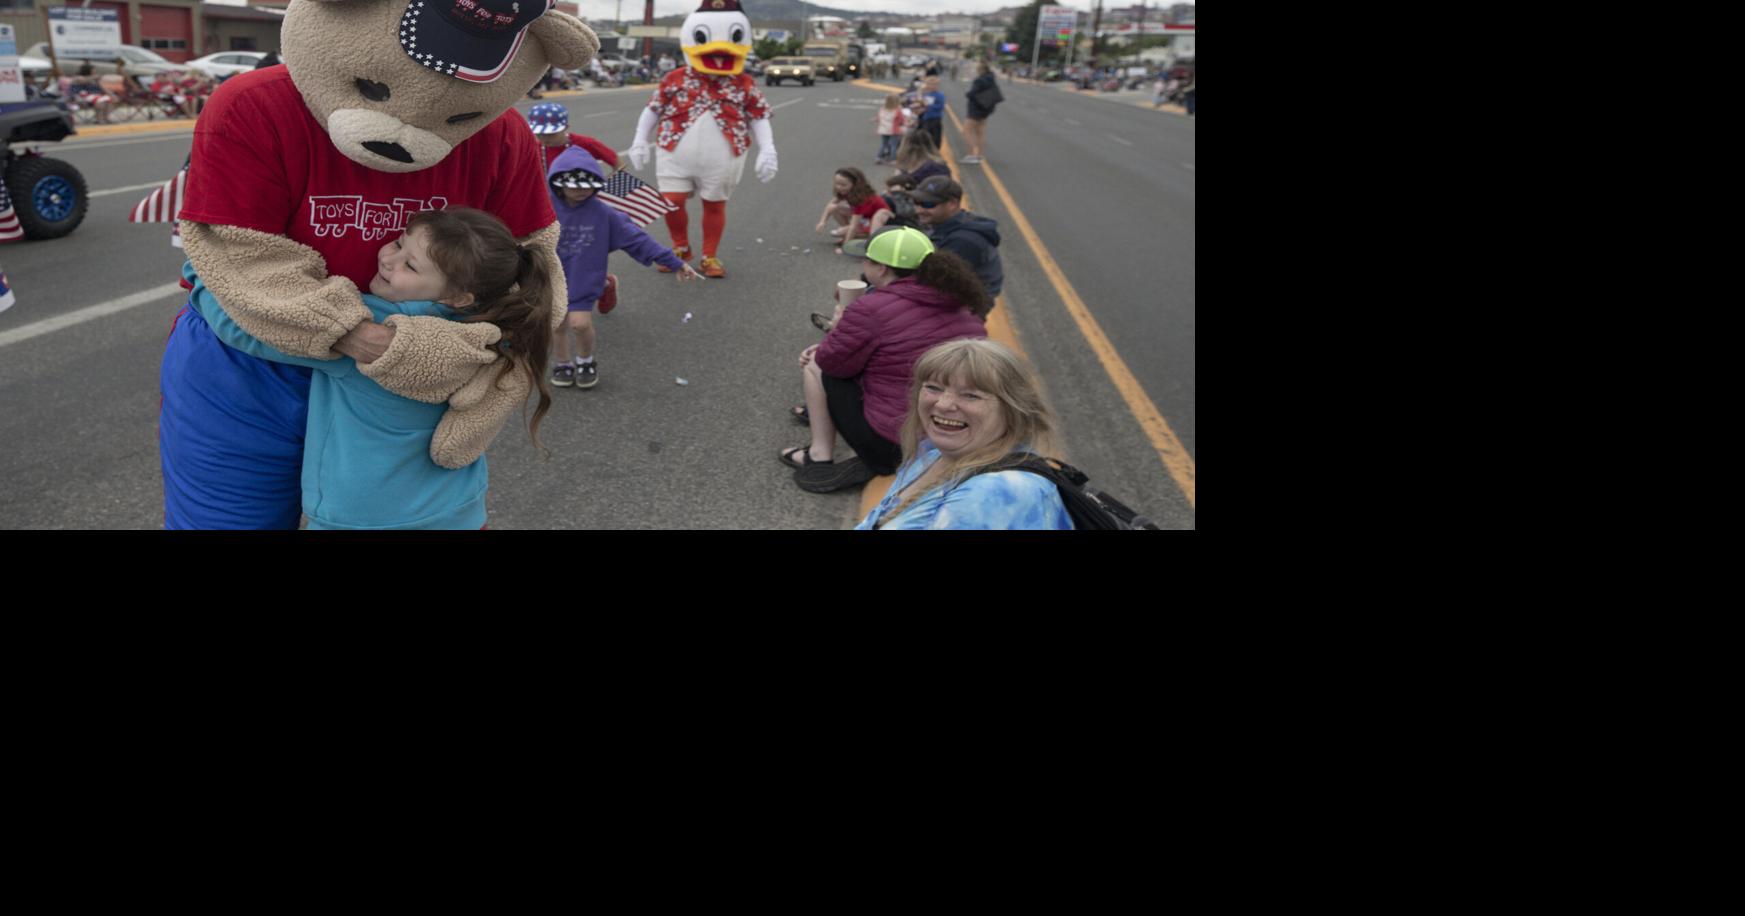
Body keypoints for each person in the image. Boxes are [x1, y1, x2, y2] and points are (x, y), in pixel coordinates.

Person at [184, 208, 554, 530]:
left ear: (457, 296)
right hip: (459, 510)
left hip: (363, 515)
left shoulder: (377, 329)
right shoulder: (496, 334)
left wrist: (207, 277)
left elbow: (252, 329)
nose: (390, 260)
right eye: (397, 243)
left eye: (410, 265)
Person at [781, 226, 988, 493]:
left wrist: (838, 327)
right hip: (952, 436)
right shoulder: (961, 300)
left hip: (893, 444)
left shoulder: (871, 308)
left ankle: (818, 454)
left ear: (880, 269)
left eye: (866, 259)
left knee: (816, 365)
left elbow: (833, 363)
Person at [857, 338, 1071, 529]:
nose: (943, 404)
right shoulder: (933, 453)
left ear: (1012, 410)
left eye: (971, 396)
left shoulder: (992, 495)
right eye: (933, 387)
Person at [547, 146, 703, 390]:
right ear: (558, 184)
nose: (581, 191)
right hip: (551, 279)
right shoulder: (545, 209)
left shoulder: (603, 213)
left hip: (583, 278)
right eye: (574, 186)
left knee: (579, 323)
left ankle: (586, 360)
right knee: (557, 324)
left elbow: (637, 240)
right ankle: (563, 362)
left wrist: (674, 262)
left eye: (587, 186)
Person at [911, 175, 1002, 314]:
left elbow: (939, 284)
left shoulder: (963, 241)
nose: (918, 210)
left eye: (928, 204)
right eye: (916, 202)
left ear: (952, 204)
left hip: (962, 311)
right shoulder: (941, 224)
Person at [527, 101, 620, 172]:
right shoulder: (533, 149)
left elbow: (616, 162)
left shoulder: (585, 143)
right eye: (539, 134)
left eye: (551, 134)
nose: (544, 138)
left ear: (565, 127)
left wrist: (607, 190)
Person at [814, 167, 888, 249]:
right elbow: (831, 204)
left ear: (855, 184)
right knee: (834, 208)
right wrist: (822, 222)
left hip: (876, 220)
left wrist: (845, 247)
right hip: (865, 216)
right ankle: (850, 235)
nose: (839, 187)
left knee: (839, 232)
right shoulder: (846, 191)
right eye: (836, 184)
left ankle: (855, 238)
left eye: (843, 185)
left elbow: (854, 226)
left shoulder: (861, 198)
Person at [961, 61, 1001, 164]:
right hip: (986, 108)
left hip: (976, 108)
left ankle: (971, 155)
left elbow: (972, 93)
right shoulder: (991, 78)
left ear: (980, 69)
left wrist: (967, 94)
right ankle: (979, 155)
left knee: (967, 131)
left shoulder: (979, 80)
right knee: (980, 132)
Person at [874, 93, 907, 165]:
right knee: (893, 145)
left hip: (883, 129)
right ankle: (893, 159)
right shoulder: (897, 111)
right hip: (893, 130)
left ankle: (878, 157)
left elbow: (878, 118)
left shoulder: (882, 109)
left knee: (883, 144)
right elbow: (902, 120)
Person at [916, 75, 946, 150]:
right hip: (927, 118)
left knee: (935, 137)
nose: (931, 86)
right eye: (929, 84)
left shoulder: (940, 95)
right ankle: (927, 150)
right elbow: (922, 102)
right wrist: (920, 91)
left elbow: (940, 106)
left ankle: (935, 150)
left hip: (935, 118)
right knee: (926, 136)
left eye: (934, 85)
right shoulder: (927, 94)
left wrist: (928, 107)